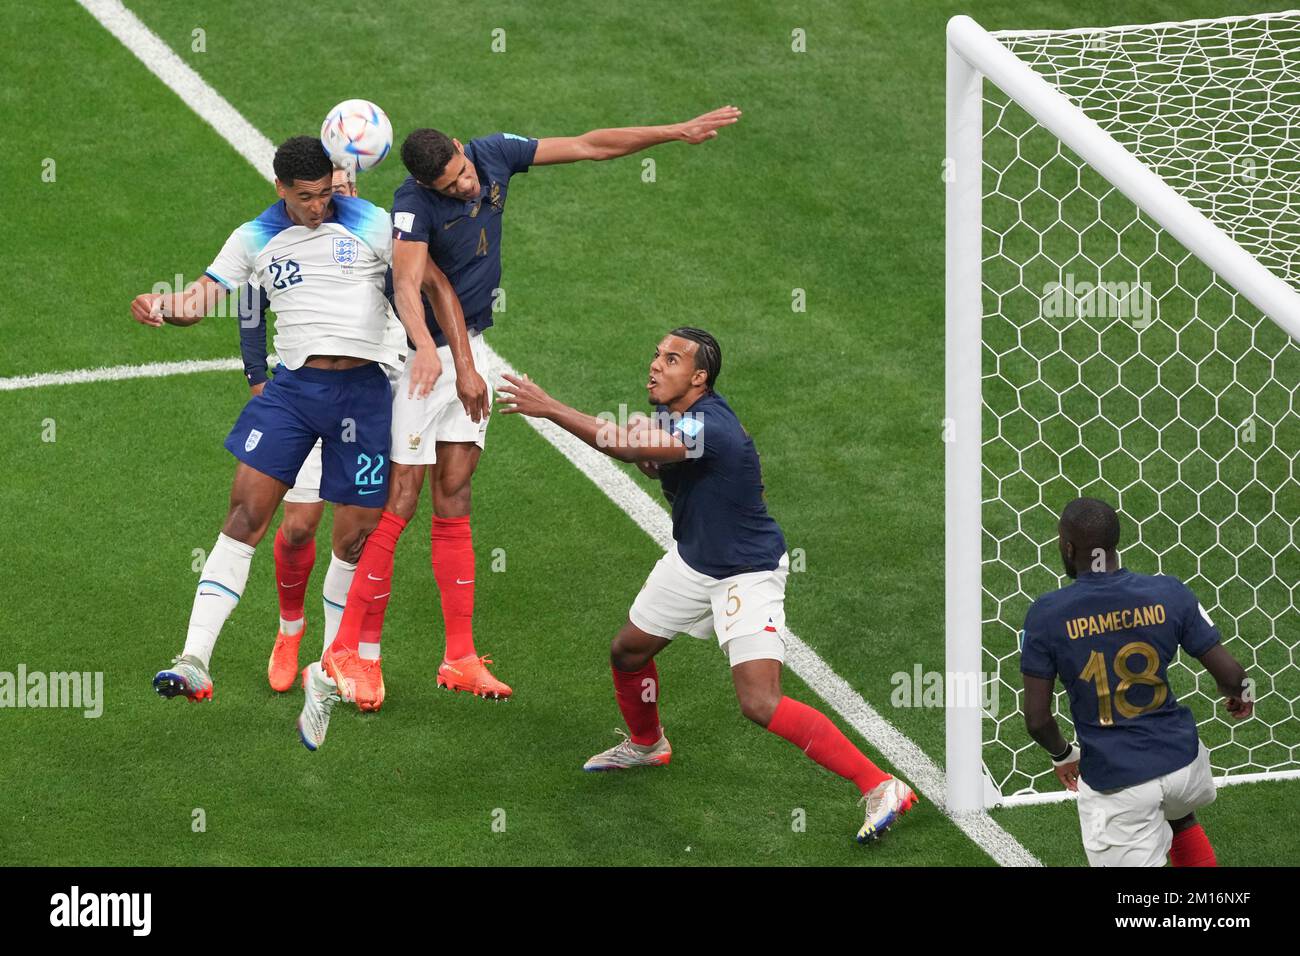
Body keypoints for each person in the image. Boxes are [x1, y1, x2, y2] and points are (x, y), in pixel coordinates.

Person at [323, 107, 746, 711]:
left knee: (457, 492)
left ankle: (460, 657)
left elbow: (591, 141)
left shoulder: (495, 154)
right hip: (420, 360)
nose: (466, 186)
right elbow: (410, 284)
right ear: (427, 187)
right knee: (402, 502)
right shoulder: (411, 205)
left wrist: (674, 132)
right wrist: (427, 352)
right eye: (450, 186)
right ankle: (350, 652)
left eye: (464, 173)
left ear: (465, 150)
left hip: (467, 347)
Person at [494, 328, 918, 843]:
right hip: (694, 561)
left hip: (746, 571)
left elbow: (629, 450)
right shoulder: (674, 416)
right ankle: (648, 743)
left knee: (759, 702)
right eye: (656, 354)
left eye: (671, 360)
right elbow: (649, 461)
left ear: (699, 378)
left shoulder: (709, 427)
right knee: (628, 652)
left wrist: (551, 407)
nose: (655, 365)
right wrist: (646, 448)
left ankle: (880, 785)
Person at [128, 137, 415, 738]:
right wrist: (165, 305)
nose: (319, 207)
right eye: (306, 197)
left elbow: (418, 280)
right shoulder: (252, 237)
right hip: (294, 392)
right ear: (280, 189)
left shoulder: (369, 220)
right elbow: (199, 299)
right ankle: (194, 660)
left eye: (326, 193)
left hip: (365, 394)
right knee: (245, 516)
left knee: (358, 538)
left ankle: (333, 660)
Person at [1020, 497, 1254, 866]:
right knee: (1178, 815)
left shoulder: (1046, 616)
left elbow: (1036, 718)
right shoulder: (1170, 592)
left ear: (1067, 547)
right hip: (1185, 765)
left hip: (1119, 781)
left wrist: (1063, 755)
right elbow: (1234, 676)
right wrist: (1242, 695)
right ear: (1115, 543)